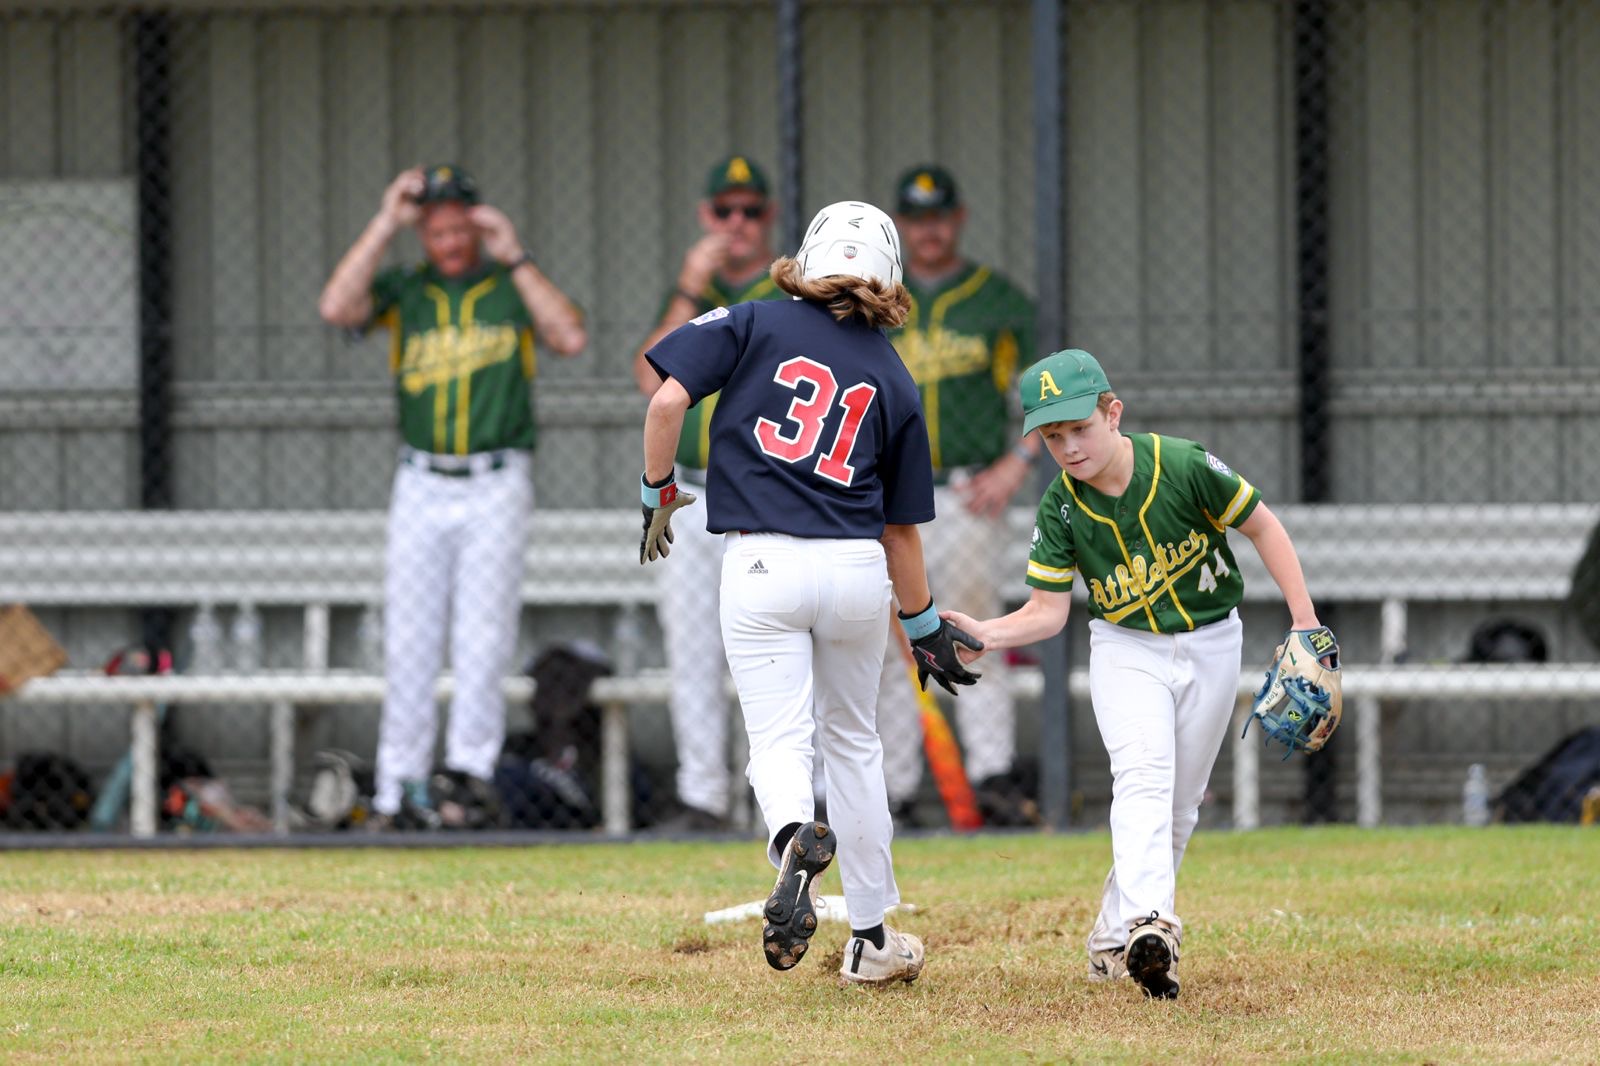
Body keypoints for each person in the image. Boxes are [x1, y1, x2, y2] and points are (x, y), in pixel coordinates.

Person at [638, 200, 981, 985]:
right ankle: (869, 937)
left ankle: (795, 833)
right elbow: (902, 531)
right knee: (855, 743)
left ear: (809, 258)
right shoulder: (895, 376)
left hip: (760, 564)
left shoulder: (755, 321)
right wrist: (923, 622)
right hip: (857, 572)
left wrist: (658, 491)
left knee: (779, 739)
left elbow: (664, 400)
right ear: (889, 278)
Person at [942, 348, 1329, 999]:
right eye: (1052, 435)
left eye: (1079, 428)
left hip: (1212, 641)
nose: (1068, 447)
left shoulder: (1180, 464)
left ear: (1113, 412)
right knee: (1144, 777)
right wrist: (988, 633)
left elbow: (1263, 526)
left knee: (1179, 808)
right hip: (1126, 649)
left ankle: (1109, 937)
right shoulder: (1061, 510)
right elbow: (1046, 610)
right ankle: (1152, 926)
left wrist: (1303, 621)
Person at [318, 164, 587, 829]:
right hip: (421, 478)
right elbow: (337, 307)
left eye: (457, 224)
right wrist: (386, 221)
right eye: (434, 227)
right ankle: (397, 788)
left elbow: (569, 335)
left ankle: (467, 777)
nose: (447, 238)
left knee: (482, 637)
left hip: (496, 479)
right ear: (423, 230)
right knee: (409, 637)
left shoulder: (506, 286)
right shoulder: (408, 289)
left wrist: (514, 250)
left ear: (474, 221)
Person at [877, 165, 1039, 827]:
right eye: (916, 219)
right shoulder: (879, 299)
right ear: (901, 226)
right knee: (887, 645)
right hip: (888, 501)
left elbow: (1042, 399)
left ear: (959, 216)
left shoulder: (996, 301)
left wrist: (1015, 465)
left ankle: (991, 775)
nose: (929, 228)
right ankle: (894, 787)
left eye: (939, 215)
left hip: (969, 492)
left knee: (972, 631)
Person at [630, 155, 786, 832]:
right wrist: (691, 286)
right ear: (706, 217)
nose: (737, 224)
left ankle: (780, 800)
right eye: (725, 211)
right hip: (686, 498)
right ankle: (704, 794)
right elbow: (647, 379)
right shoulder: (692, 293)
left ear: (769, 218)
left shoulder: (785, 290)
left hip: (759, 500)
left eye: (751, 211)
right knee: (692, 647)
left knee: (773, 648)